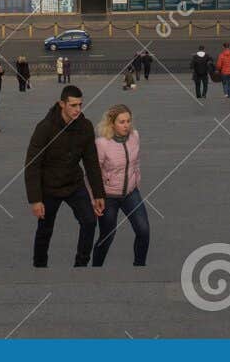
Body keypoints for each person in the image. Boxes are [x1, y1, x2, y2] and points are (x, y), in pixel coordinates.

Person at [24, 85, 106, 267]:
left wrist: (98, 194)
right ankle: (39, 266)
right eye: (73, 105)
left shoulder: (85, 126)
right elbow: (32, 165)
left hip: (74, 185)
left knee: (90, 222)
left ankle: (81, 265)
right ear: (62, 104)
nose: (77, 109)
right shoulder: (45, 127)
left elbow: (91, 162)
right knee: (45, 229)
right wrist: (35, 200)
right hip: (49, 187)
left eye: (80, 105)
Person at [92, 104, 150, 267]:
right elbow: (93, 173)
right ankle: (96, 268)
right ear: (112, 123)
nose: (126, 125)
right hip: (108, 196)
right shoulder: (102, 143)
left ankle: (139, 267)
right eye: (122, 122)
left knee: (143, 231)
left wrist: (136, 180)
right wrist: (95, 198)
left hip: (131, 193)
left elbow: (136, 161)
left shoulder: (135, 137)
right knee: (107, 236)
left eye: (128, 121)